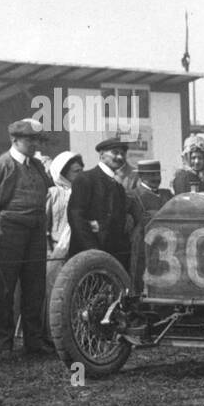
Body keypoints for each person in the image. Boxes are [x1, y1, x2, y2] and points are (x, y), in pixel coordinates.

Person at [0, 118, 54, 357]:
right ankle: (4, 343)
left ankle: (33, 341)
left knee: (35, 287)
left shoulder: (38, 166)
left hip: (35, 231)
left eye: (38, 140)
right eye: (30, 139)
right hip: (8, 230)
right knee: (4, 288)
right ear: (14, 139)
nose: (34, 144)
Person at [68, 138, 133, 271]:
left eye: (123, 154)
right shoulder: (86, 178)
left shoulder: (118, 186)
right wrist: (93, 251)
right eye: (115, 152)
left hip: (113, 258)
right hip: (88, 256)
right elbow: (76, 217)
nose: (120, 157)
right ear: (102, 154)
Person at [43, 151, 83, 332]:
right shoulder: (53, 193)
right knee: (54, 290)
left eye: (81, 171)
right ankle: (54, 331)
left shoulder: (84, 192)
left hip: (78, 247)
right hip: (56, 250)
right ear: (63, 172)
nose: (80, 175)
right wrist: (49, 248)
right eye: (75, 171)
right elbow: (45, 223)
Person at [128, 160, 173, 293]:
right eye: (151, 175)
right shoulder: (133, 195)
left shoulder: (167, 194)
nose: (156, 178)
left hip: (168, 248)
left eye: (157, 174)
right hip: (144, 247)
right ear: (141, 176)